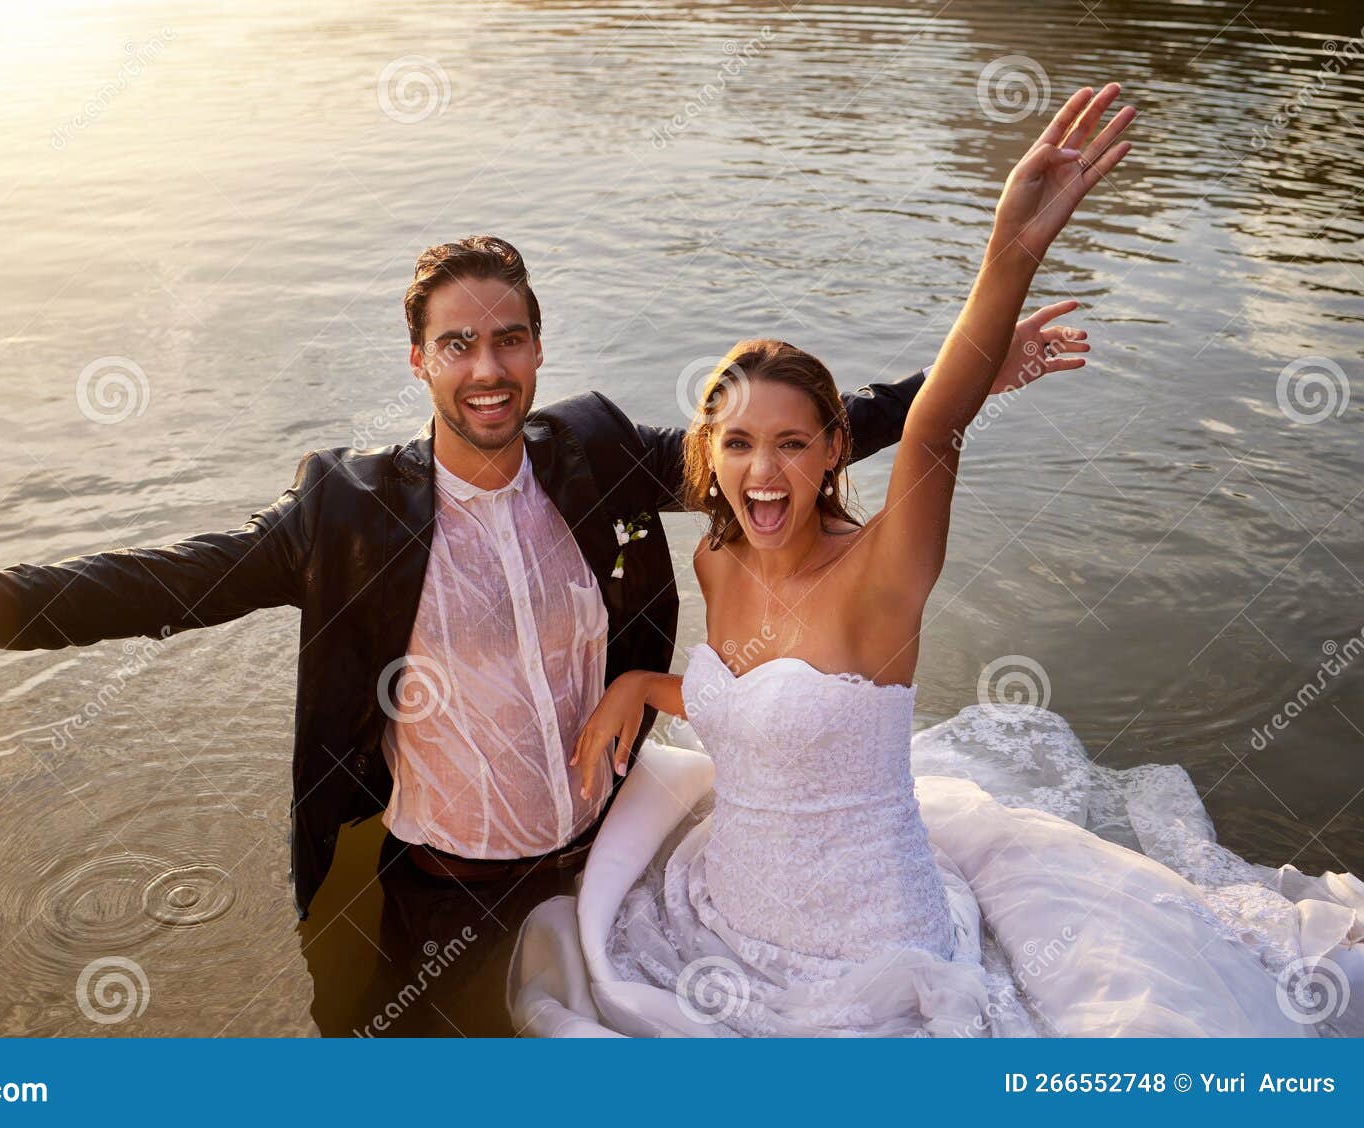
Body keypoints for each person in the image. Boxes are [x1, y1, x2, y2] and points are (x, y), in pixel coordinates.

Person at [0, 235, 1089, 1035]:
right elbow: (167, 583)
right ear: (418, 359)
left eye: (510, 339)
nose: (489, 369)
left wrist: (966, 380)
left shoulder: (589, 455)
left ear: (538, 351)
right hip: (440, 892)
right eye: (459, 344)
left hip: (604, 864)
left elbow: (775, 446)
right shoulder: (348, 511)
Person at [507, 84, 1364, 1038]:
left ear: (835, 449)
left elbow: (933, 425)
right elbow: (746, 701)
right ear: (711, 456)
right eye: (740, 442)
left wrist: (1014, 249)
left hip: (876, 961)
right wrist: (641, 684)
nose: (764, 467)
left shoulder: (884, 574)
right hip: (717, 920)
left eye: (793, 443)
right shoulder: (716, 561)